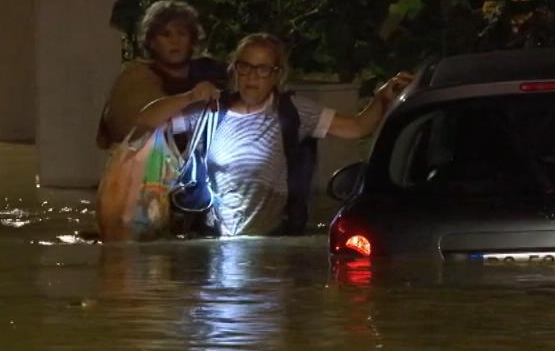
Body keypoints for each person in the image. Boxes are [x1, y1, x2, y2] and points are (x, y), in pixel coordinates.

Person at [137, 33, 413, 237]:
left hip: (271, 246)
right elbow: (145, 121)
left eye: (263, 69)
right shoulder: (211, 111)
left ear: (276, 75)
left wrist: (382, 98)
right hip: (216, 246)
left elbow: (357, 127)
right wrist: (188, 96)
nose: (252, 77)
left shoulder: (293, 113)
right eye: (245, 67)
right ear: (235, 71)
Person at [96, 0, 226, 150]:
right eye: (165, 34)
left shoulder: (211, 71)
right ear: (151, 41)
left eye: (181, 33)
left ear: (192, 39)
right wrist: (191, 97)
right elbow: (130, 127)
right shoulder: (136, 78)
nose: (174, 41)